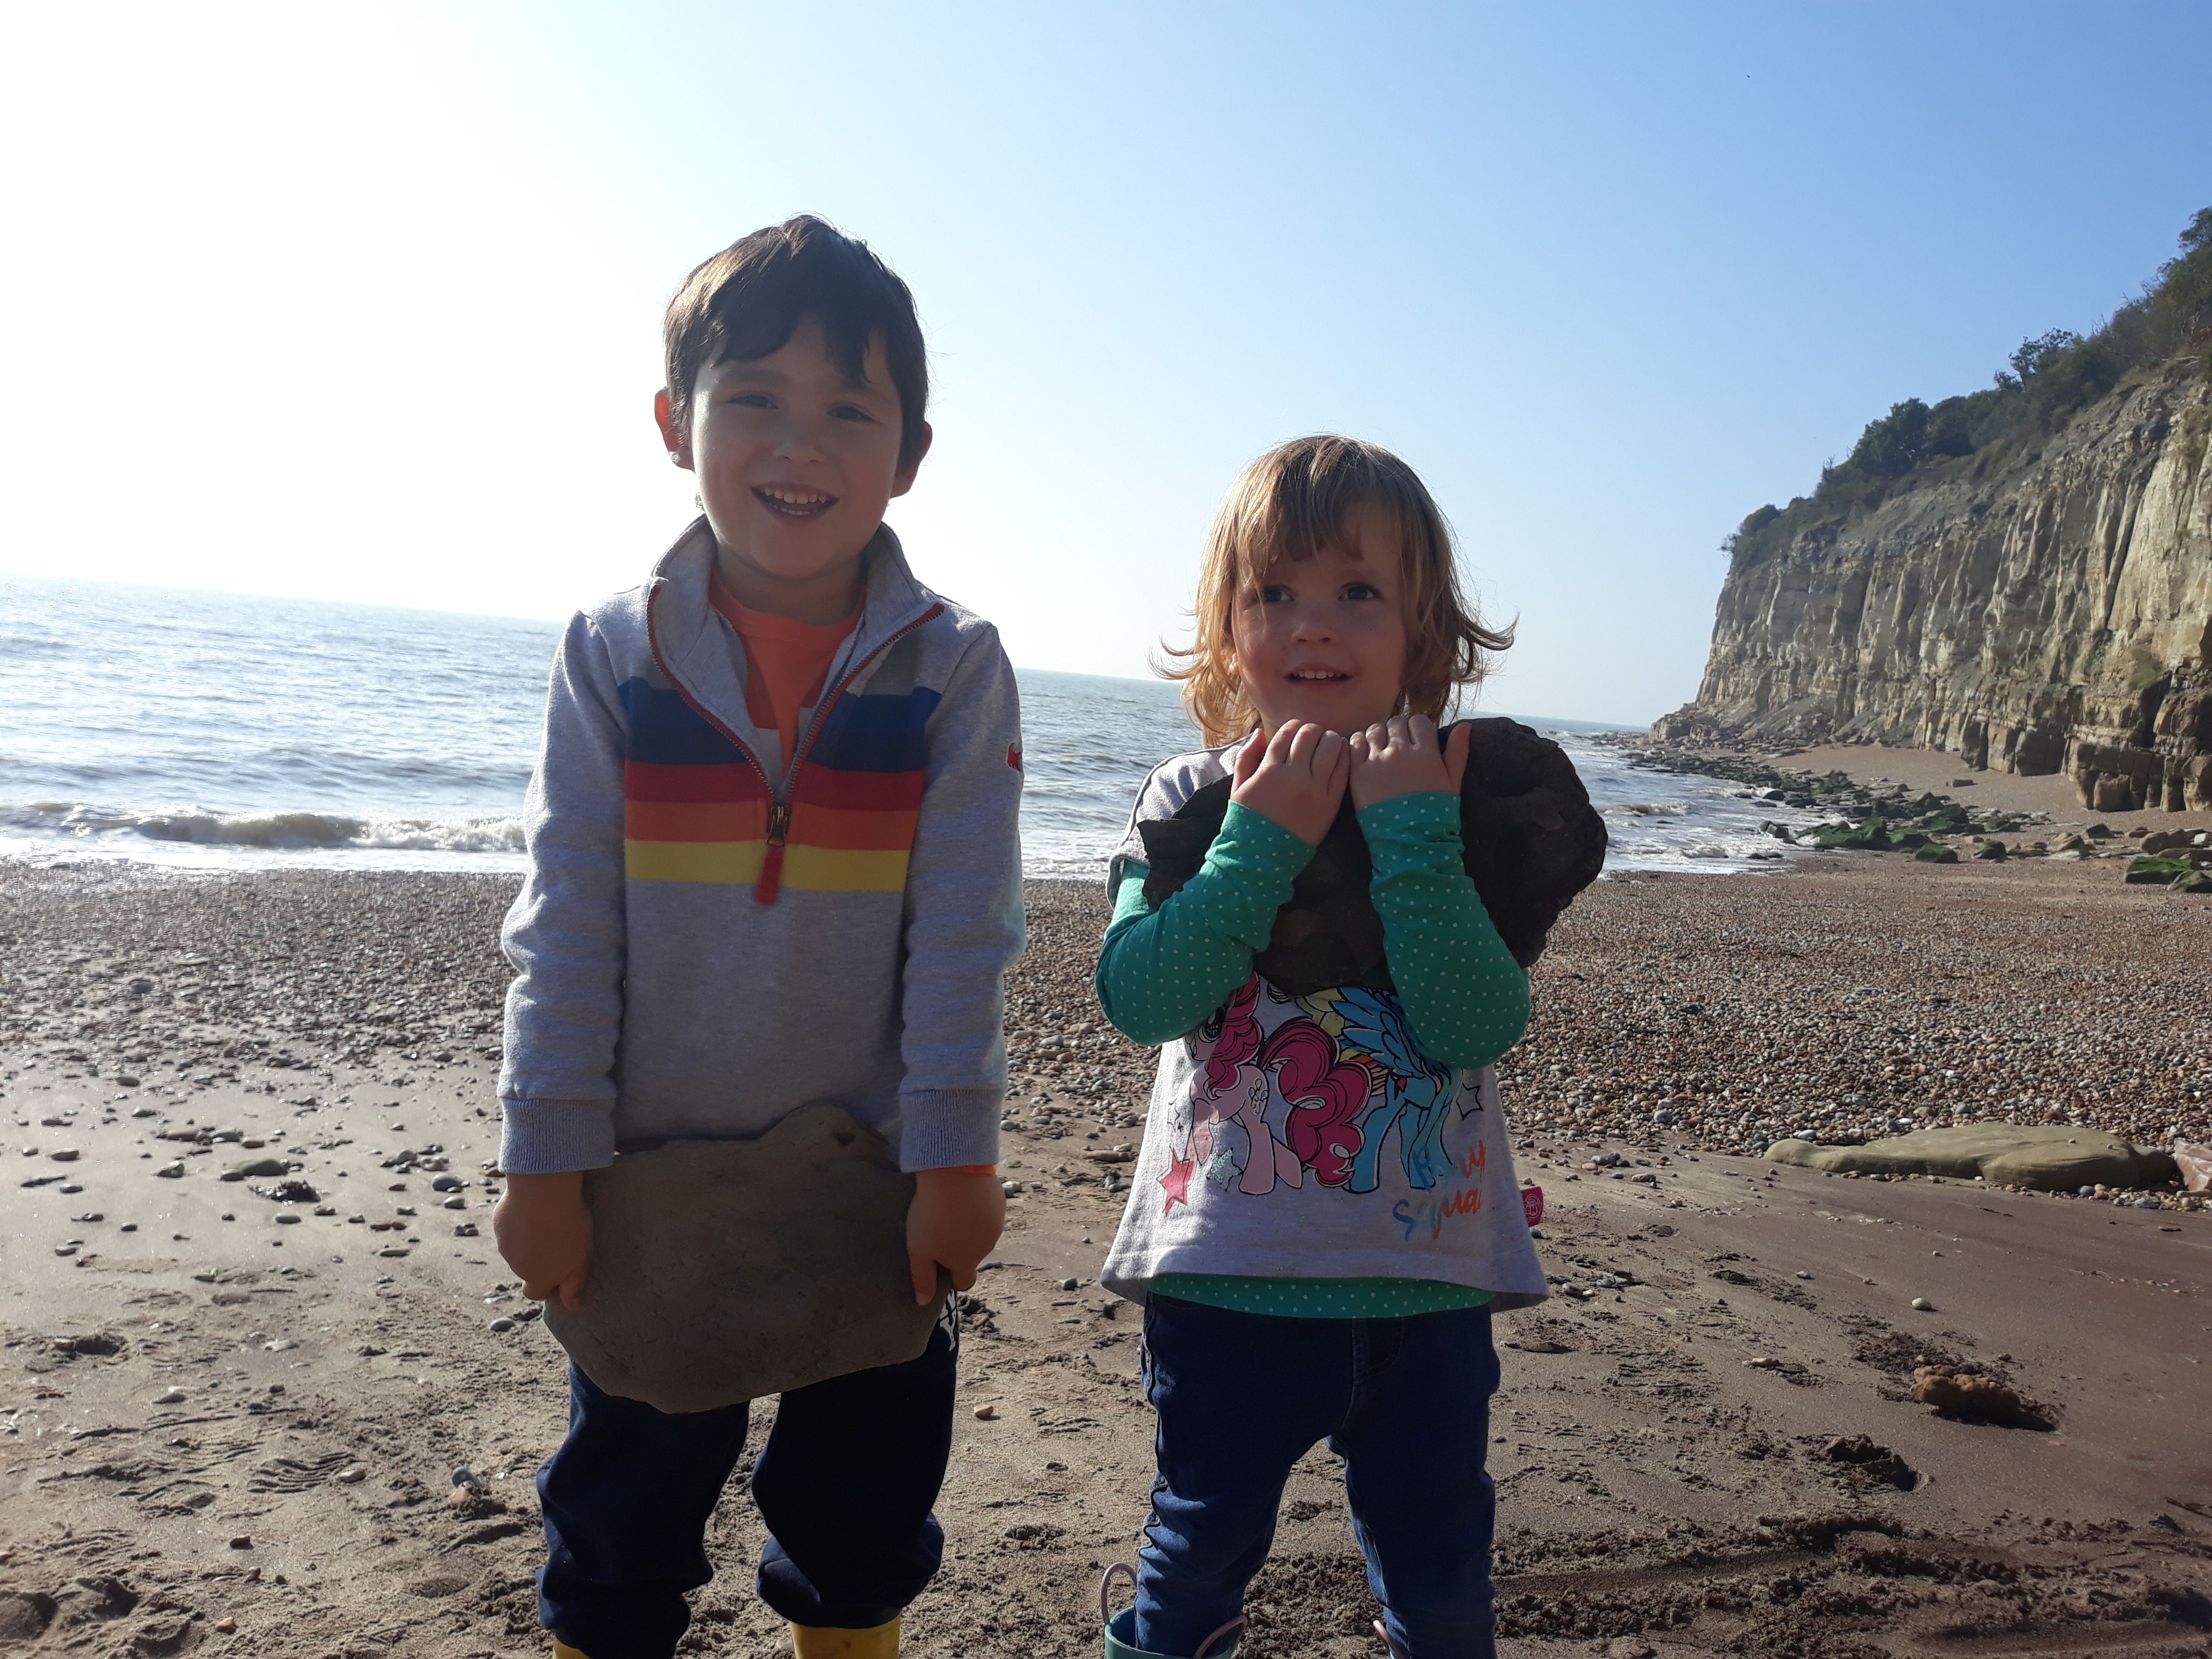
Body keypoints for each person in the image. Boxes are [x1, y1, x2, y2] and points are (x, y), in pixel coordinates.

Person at [492, 215, 1024, 1659]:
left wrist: (956, 1163)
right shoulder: (616, 650)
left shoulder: (954, 670)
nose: (802, 444)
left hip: (874, 1182)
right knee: (620, 1530)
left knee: (860, 1528)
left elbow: (964, 936)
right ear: (677, 423)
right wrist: (546, 1160)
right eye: (755, 400)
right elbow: (568, 921)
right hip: (647, 1190)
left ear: (910, 449)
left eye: (850, 409)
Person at [1093, 436, 1549, 1659]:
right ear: (1225, 627)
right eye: (1274, 593)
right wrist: (1259, 842)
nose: (1316, 625)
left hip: (1427, 1280)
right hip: (1225, 1269)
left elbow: (1475, 1023)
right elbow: (1141, 996)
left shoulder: (1452, 794)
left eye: (1359, 593)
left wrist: (1411, 840)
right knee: (1194, 1558)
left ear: (1423, 633)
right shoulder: (1189, 795)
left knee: (1442, 1569)